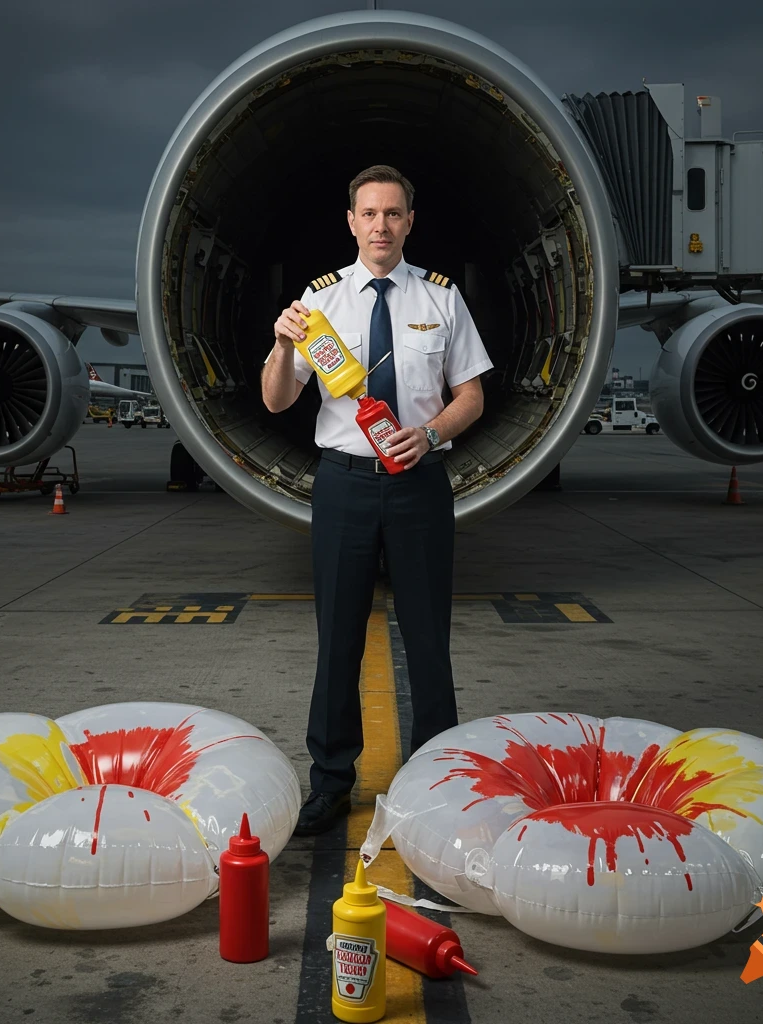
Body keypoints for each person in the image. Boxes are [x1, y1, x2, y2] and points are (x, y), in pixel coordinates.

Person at [262, 165, 493, 836]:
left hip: (419, 480)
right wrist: (280, 344)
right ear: (351, 222)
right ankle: (331, 781)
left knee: (428, 638)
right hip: (346, 483)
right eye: (369, 213)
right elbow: (276, 400)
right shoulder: (320, 304)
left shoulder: (441, 298)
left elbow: (472, 396)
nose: (381, 226)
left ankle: (434, 780)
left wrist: (432, 434)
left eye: (393, 214)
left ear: (410, 222)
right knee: (337, 638)